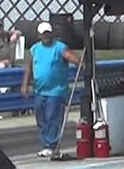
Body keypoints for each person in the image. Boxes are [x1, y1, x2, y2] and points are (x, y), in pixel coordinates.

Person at [20, 22, 80, 158]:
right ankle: (46, 144)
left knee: (53, 117)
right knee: (41, 119)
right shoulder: (34, 49)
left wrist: (79, 62)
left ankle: (51, 145)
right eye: (43, 33)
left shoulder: (59, 47)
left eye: (48, 33)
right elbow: (28, 67)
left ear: (51, 33)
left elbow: (71, 57)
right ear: (39, 35)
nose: (46, 36)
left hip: (56, 91)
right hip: (39, 90)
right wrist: (25, 85)